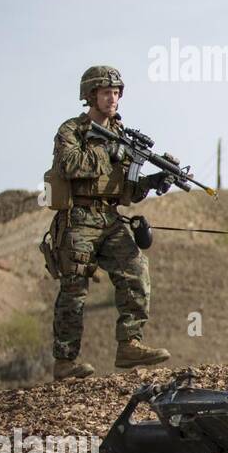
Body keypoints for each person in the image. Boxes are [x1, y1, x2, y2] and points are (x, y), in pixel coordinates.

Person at [49, 66, 174, 380]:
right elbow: (67, 165)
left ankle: (129, 344)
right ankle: (65, 362)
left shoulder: (122, 135)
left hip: (110, 217)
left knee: (136, 271)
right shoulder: (72, 130)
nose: (113, 98)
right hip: (78, 218)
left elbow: (128, 192)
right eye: (106, 92)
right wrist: (109, 154)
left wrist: (155, 180)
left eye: (117, 92)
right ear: (91, 95)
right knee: (74, 289)